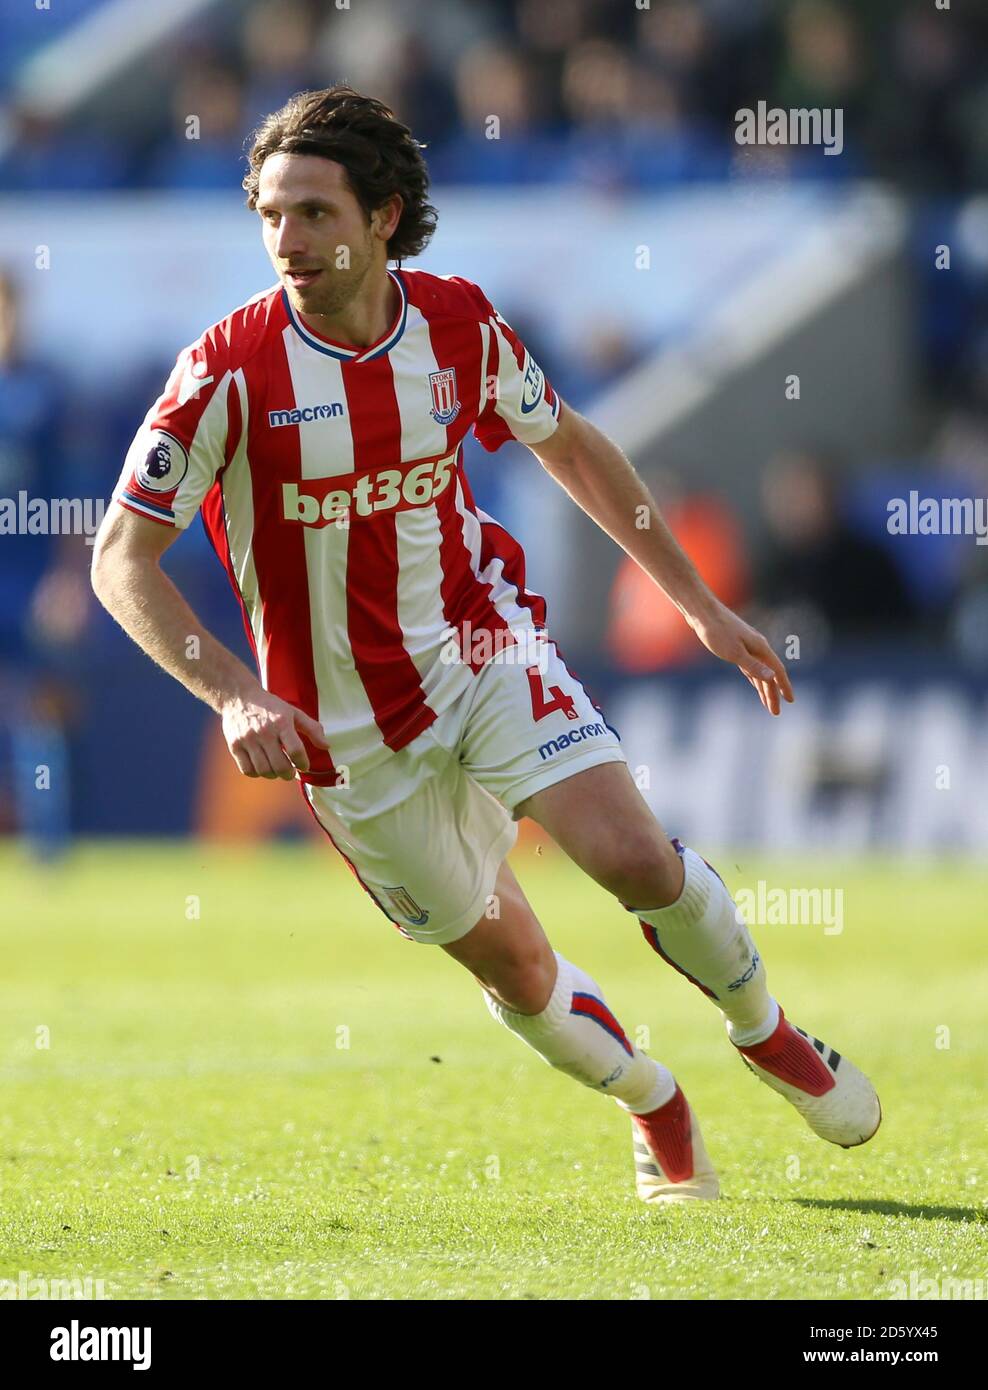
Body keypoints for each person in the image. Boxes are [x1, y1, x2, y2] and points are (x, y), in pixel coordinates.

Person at [91, 86, 880, 1205]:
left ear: (382, 218)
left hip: (480, 648)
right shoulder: (228, 373)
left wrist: (698, 603)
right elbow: (120, 558)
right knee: (515, 968)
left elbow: (571, 444)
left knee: (634, 858)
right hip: (342, 735)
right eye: (271, 214)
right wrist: (230, 694)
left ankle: (767, 1032)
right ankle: (653, 1098)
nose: (287, 240)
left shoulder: (457, 325)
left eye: (315, 213)